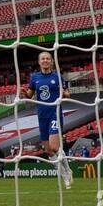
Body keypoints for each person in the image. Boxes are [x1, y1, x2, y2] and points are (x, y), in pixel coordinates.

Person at [22, 50, 72, 190]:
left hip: (54, 113)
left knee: (55, 147)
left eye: (47, 58)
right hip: (41, 115)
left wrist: (65, 93)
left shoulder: (57, 77)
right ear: (39, 62)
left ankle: (67, 171)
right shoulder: (34, 78)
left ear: (51, 61)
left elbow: (68, 94)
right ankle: (63, 174)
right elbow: (29, 96)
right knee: (49, 152)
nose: (45, 60)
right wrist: (24, 94)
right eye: (42, 59)